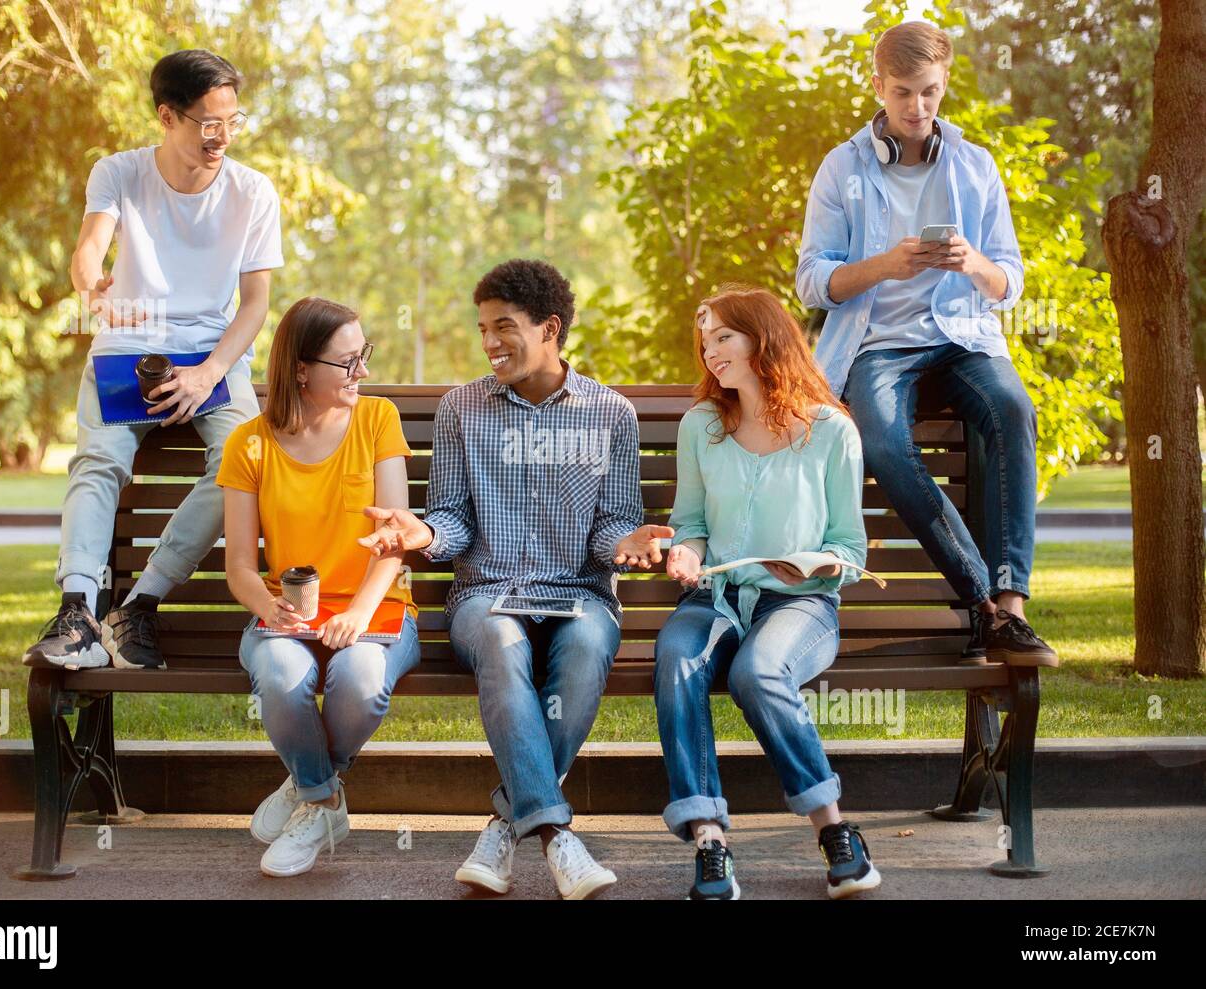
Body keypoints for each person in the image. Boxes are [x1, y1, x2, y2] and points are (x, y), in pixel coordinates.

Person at [356, 259, 672, 899]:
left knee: (584, 647)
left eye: (505, 327)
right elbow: (451, 520)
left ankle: (505, 823)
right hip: (486, 595)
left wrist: (630, 542)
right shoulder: (461, 409)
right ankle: (557, 835)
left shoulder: (609, 413)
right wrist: (423, 534)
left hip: (581, 595)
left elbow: (609, 530)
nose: (490, 342)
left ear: (550, 327)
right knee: (502, 644)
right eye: (482, 329)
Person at [796, 21, 1057, 668]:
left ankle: (1011, 605)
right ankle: (984, 602)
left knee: (1014, 409)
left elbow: (1010, 282)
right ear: (878, 86)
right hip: (878, 344)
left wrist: (972, 263)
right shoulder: (842, 167)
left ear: (945, 87)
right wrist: (885, 265)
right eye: (904, 93)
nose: (918, 108)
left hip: (963, 337)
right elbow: (812, 281)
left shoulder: (974, 166)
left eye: (931, 93)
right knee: (880, 439)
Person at [23, 49, 282, 672]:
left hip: (214, 356)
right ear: (168, 117)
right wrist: (94, 291)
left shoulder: (253, 192)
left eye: (232, 120)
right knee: (99, 460)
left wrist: (208, 373)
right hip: (128, 346)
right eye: (207, 122)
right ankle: (77, 610)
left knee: (244, 464)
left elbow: (255, 305)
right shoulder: (118, 172)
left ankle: (137, 605)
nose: (221, 137)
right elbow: (88, 253)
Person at [656, 284, 881, 900]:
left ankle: (835, 831)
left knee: (759, 671)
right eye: (705, 341)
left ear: (766, 338)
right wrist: (684, 554)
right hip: (716, 597)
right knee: (678, 659)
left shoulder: (831, 430)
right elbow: (693, 525)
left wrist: (813, 567)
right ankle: (709, 841)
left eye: (724, 337)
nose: (710, 352)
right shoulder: (702, 424)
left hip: (801, 602)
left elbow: (850, 550)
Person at [217, 297, 419, 878]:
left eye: (365, 357)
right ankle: (324, 800)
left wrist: (358, 611)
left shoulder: (377, 419)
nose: (364, 374)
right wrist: (268, 607)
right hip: (290, 613)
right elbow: (239, 566)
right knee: (282, 676)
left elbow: (396, 539)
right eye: (348, 362)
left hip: (376, 608)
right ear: (301, 370)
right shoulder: (249, 444)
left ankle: (308, 785)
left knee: (360, 680)